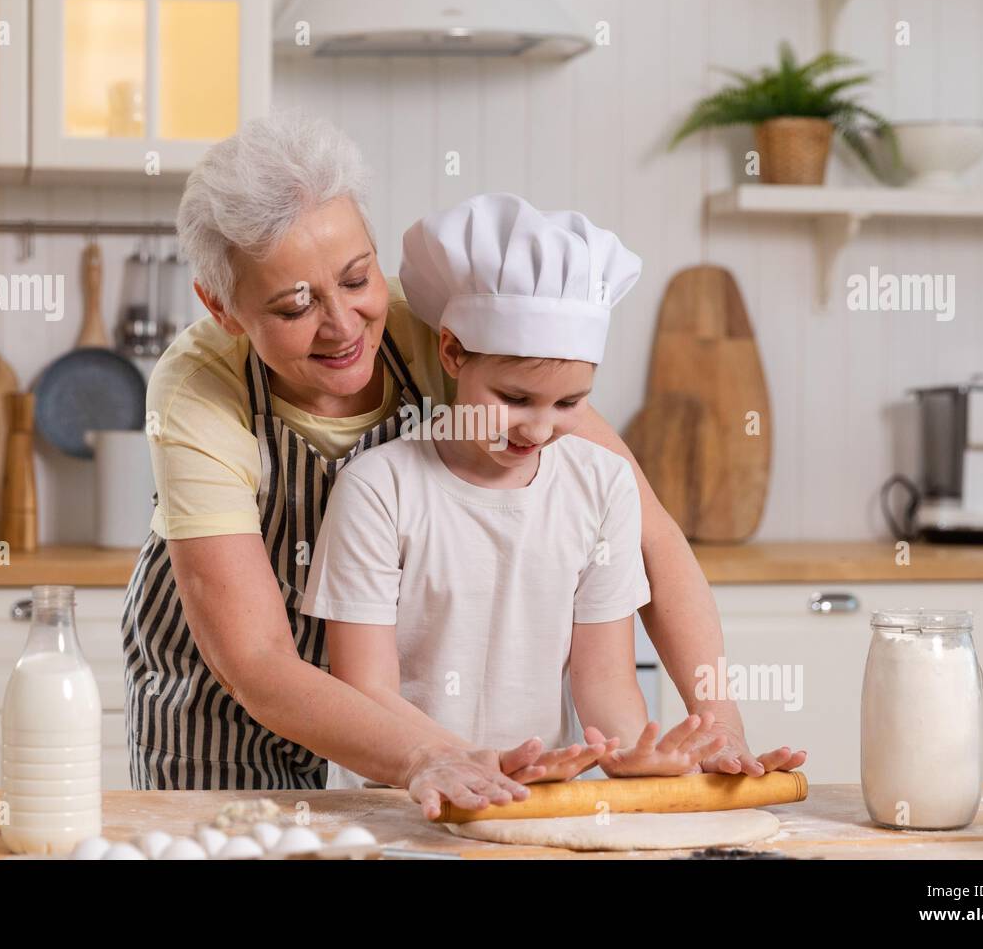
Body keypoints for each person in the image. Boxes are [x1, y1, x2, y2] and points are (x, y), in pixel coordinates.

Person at [122, 111, 804, 819]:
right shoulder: (198, 387)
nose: (343, 325)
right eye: (296, 305)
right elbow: (257, 662)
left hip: (395, 703)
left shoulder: (452, 332)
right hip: (220, 700)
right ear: (223, 308)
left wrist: (719, 721)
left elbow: (651, 537)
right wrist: (429, 753)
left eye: (357, 279)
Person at [304, 193, 732, 789]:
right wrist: (466, 762)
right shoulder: (380, 489)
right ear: (452, 352)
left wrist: (632, 756)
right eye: (513, 398)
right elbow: (365, 690)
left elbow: (604, 680)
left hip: (536, 801)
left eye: (568, 403)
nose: (537, 428)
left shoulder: (602, 485)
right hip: (398, 799)